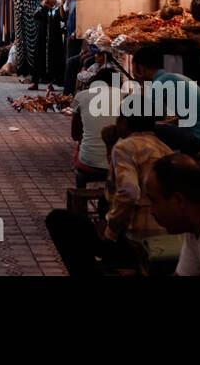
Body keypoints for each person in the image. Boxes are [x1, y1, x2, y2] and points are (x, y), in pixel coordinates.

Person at [45, 109, 171, 275]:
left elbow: (128, 192)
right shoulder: (164, 148)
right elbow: (116, 184)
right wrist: (109, 146)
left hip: (134, 242)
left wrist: (109, 233)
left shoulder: (126, 147)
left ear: (125, 122)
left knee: (58, 220)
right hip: (162, 240)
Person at [131, 45, 200, 151]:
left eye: (133, 67)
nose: (133, 74)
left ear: (141, 68)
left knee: (142, 130)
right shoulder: (170, 77)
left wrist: (141, 84)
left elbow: (144, 117)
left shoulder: (161, 82)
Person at [73, 66, 123, 174]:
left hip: (87, 162)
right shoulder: (127, 97)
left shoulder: (80, 96)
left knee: (80, 142)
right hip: (121, 163)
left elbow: (75, 134)